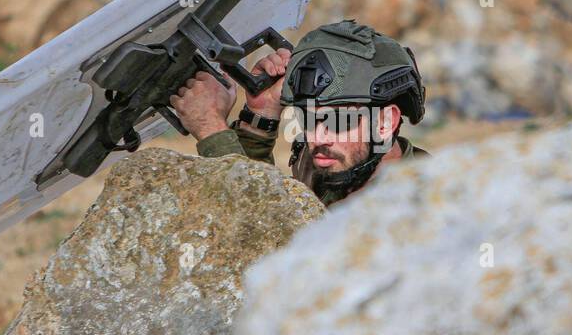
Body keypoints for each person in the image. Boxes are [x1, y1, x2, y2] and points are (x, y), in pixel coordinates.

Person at [168, 19, 430, 205]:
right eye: (308, 119)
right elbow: (266, 203)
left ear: (385, 123)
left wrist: (211, 128)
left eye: (337, 122)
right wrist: (261, 115)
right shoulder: (335, 162)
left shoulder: (414, 203)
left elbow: (265, 247)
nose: (319, 138)